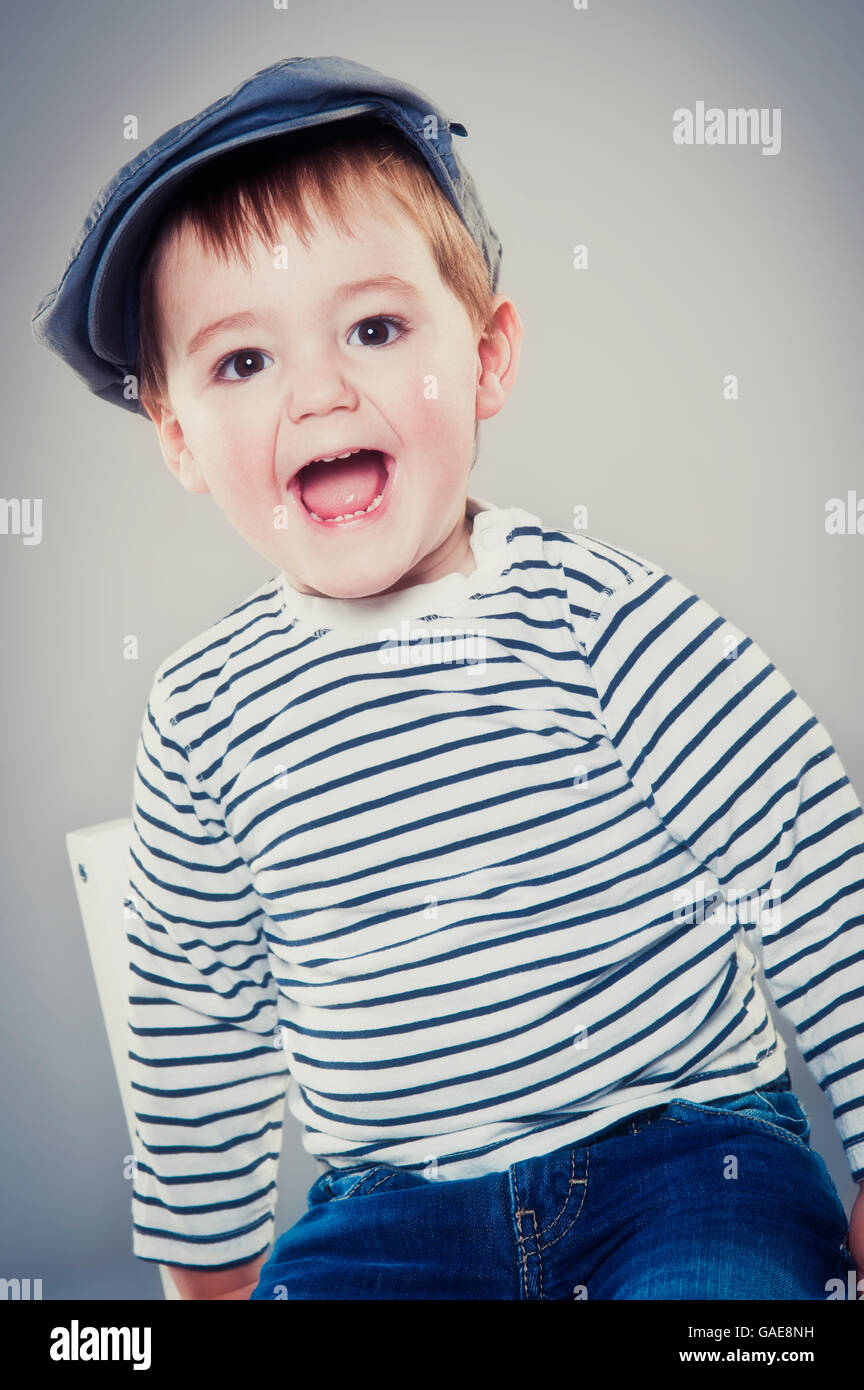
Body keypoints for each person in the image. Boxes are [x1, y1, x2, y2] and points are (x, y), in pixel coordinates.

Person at [32, 55, 863, 1301]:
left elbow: (808, 861)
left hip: (685, 1162)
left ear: (482, 360)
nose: (320, 391)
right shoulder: (205, 715)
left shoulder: (598, 619)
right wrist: (211, 1281)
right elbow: (196, 1020)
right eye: (241, 363)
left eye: (373, 330)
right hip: (392, 1221)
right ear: (177, 435)